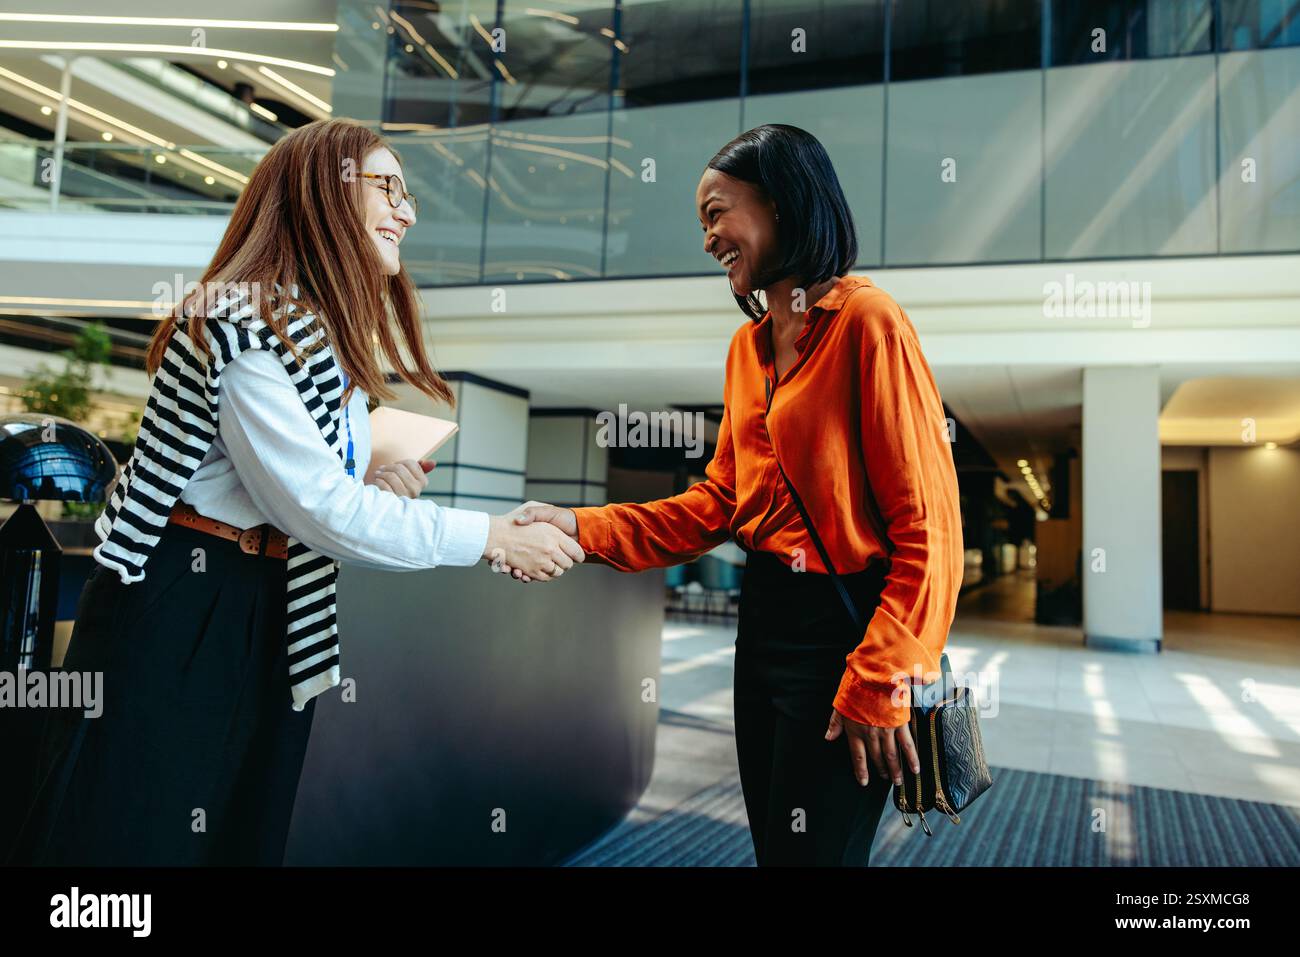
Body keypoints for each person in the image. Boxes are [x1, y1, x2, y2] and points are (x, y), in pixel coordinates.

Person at [8, 118, 582, 867]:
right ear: (323, 192)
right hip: (186, 598)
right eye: (388, 188)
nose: (407, 211)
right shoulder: (242, 317)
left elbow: (305, 489)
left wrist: (369, 474)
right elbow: (315, 506)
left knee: (242, 829)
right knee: (133, 833)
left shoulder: (316, 331)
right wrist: (493, 536)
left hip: (272, 598)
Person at [513, 125, 964, 866]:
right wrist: (578, 525)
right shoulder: (747, 350)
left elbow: (931, 525)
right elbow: (718, 503)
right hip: (764, 628)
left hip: (848, 635)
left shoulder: (868, 323)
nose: (708, 239)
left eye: (717, 213)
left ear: (782, 203)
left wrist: (883, 672)